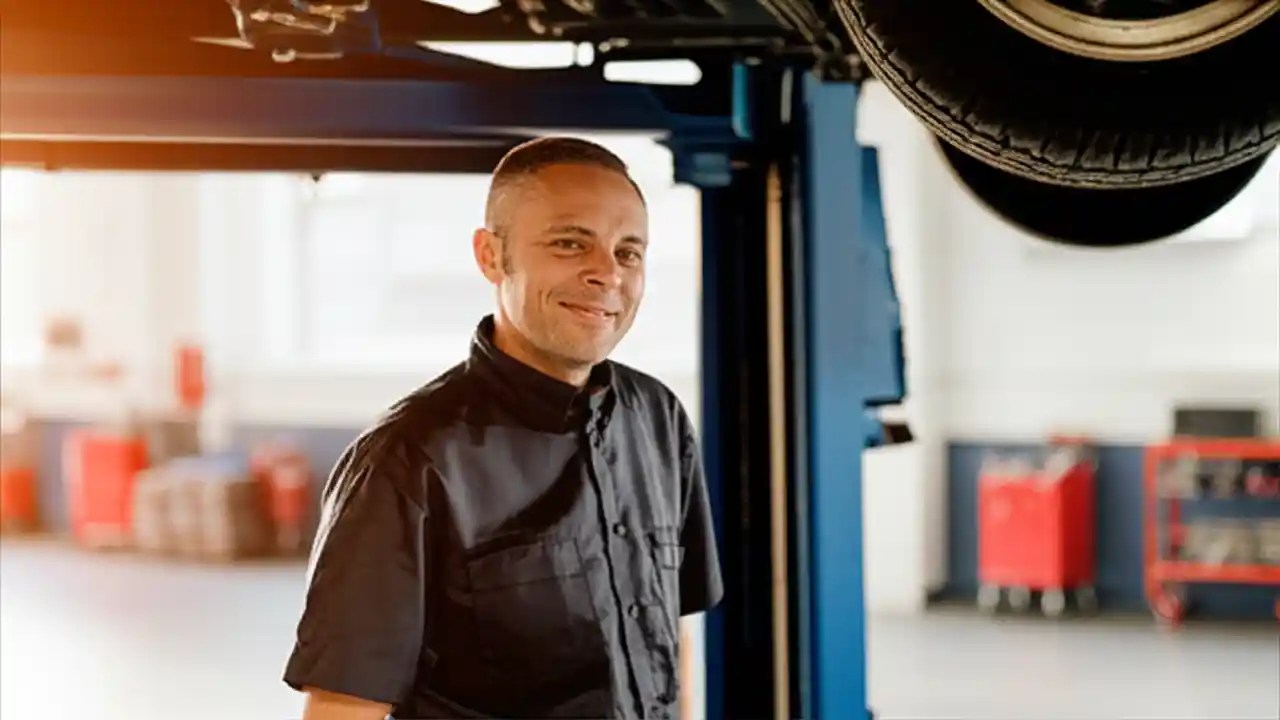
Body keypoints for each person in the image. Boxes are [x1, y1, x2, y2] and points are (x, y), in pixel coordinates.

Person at [283, 136, 724, 720]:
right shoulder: (407, 460)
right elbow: (344, 706)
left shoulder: (659, 420)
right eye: (570, 243)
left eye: (629, 252)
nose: (607, 273)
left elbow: (670, 639)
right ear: (491, 256)